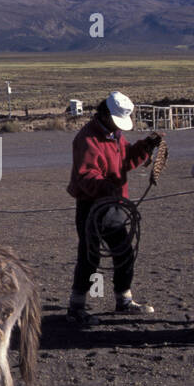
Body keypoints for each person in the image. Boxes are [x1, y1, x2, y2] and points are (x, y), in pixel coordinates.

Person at [66, 92, 162, 324]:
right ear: (106, 114)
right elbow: (86, 175)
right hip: (92, 205)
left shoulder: (114, 136)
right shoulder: (87, 139)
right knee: (90, 256)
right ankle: (76, 306)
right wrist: (107, 188)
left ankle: (124, 300)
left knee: (124, 252)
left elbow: (125, 161)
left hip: (114, 203)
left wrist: (146, 146)